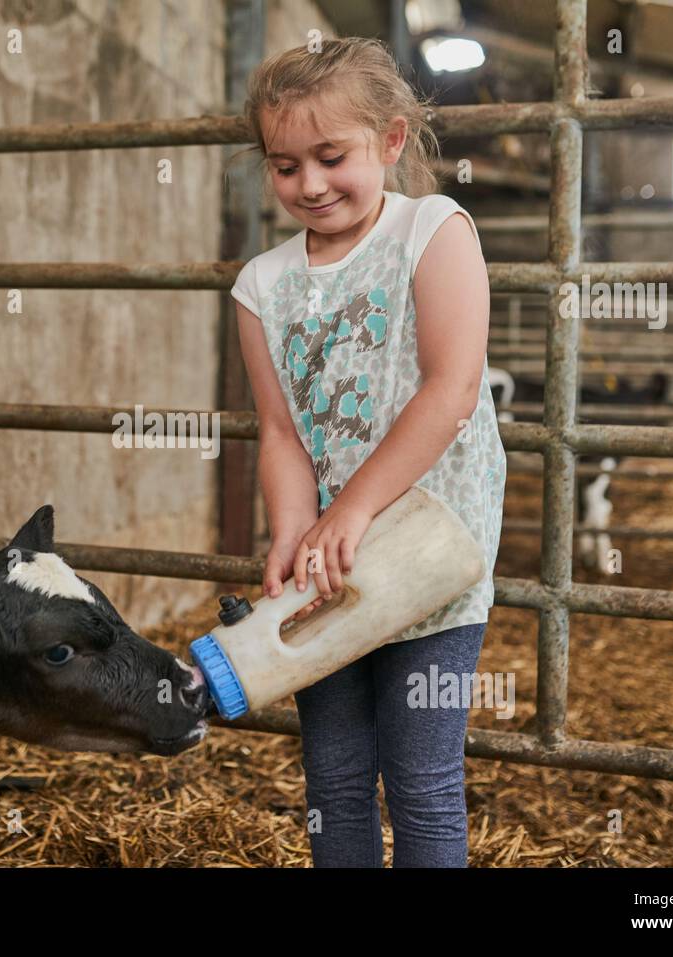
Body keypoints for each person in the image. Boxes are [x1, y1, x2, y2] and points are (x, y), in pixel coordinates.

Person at [226, 37, 506, 867]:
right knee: (335, 777)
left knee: (421, 776)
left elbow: (452, 388)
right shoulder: (261, 286)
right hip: (325, 560)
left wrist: (352, 508)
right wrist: (292, 531)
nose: (309, 184)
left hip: (433, 553)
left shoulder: (433, 229)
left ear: (390, 140)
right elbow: (280, 432)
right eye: (284, 166)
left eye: (330, 156)